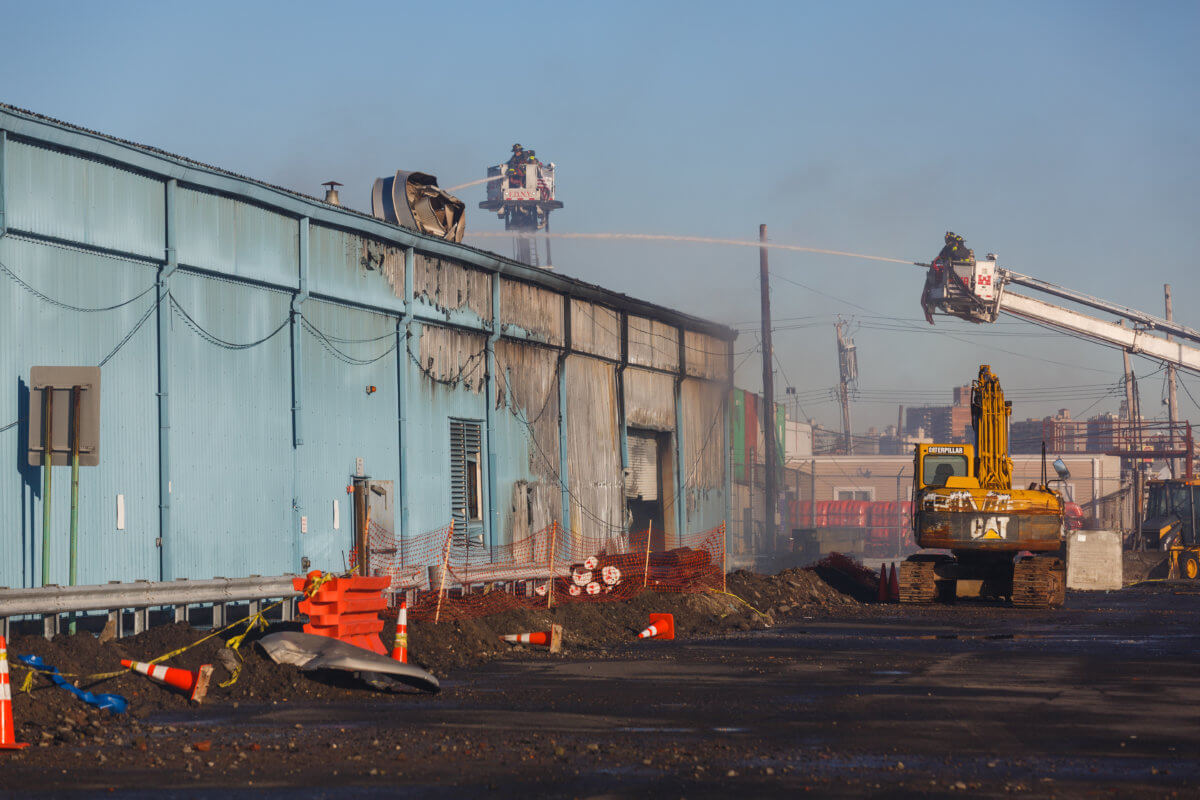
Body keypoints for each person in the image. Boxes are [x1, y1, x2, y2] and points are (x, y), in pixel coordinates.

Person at [920, 232, 974, 324]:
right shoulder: (963, 249)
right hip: (963, 278)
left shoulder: (953, 247)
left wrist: (938, 263)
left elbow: (944, 256)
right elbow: (943, 256)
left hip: (956, 275)